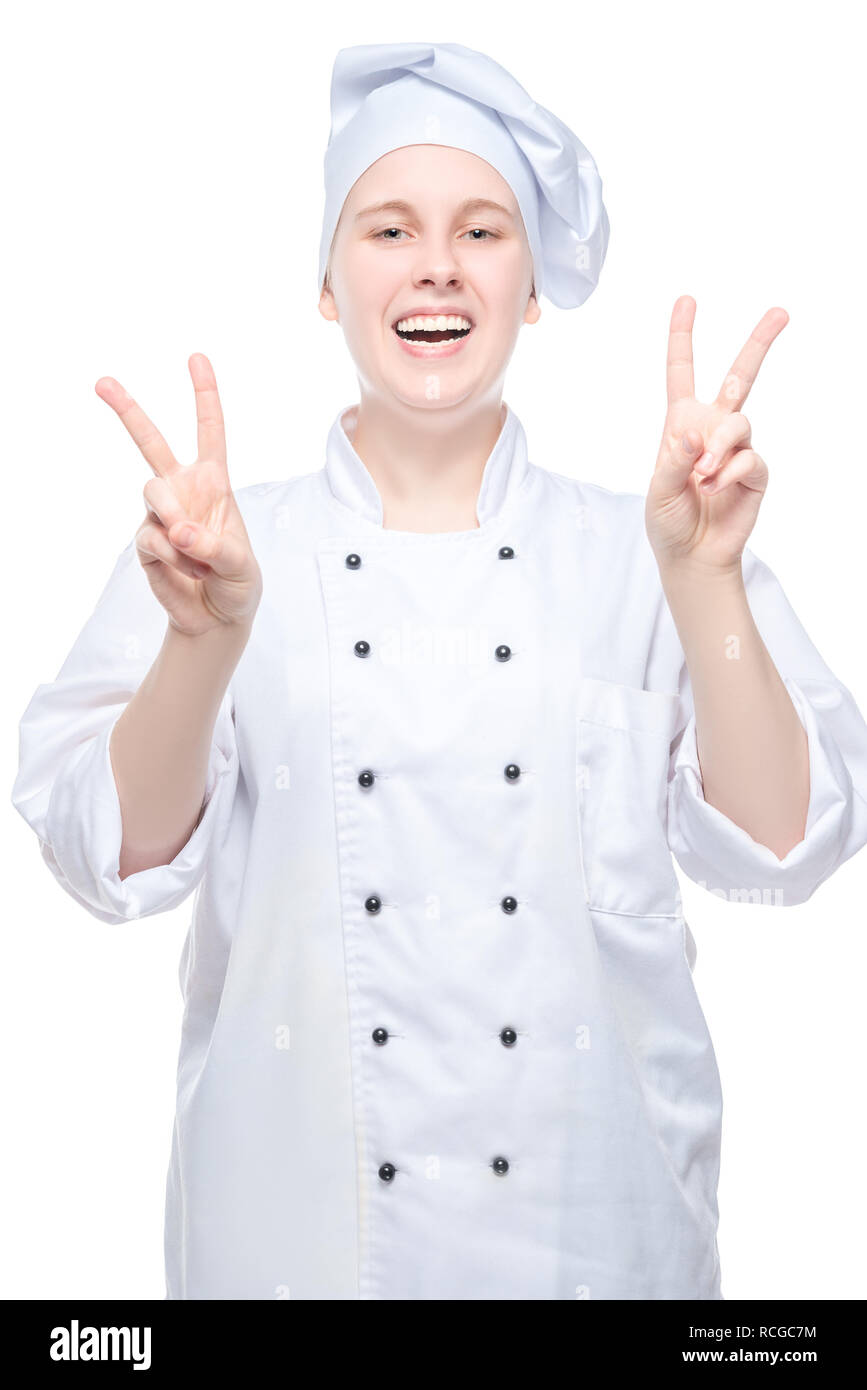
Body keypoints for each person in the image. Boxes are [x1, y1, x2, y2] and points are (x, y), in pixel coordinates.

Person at [11, 41, 867, 1301]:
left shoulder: (658, 542)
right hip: (291, 1254)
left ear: (530, 290)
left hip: (600, 1244)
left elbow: (788, 841)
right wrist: (201, 645)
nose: (437, 266)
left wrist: (704, 584)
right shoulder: (215, 547)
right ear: (325, 283)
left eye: (482, 231)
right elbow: (107, 863)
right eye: (388, 228)